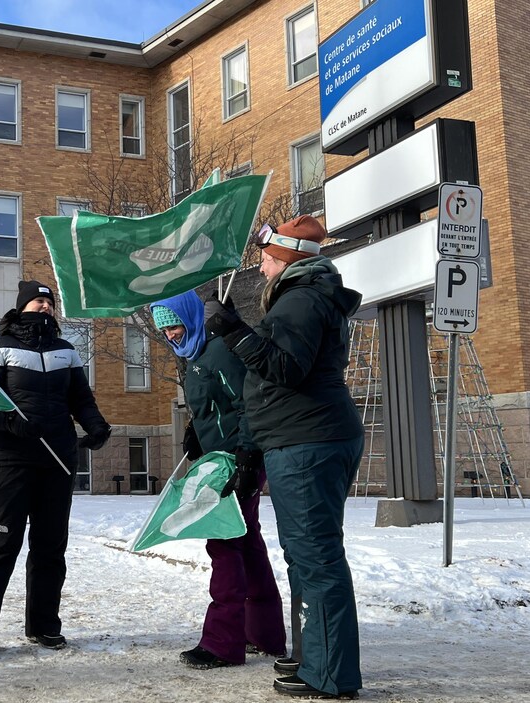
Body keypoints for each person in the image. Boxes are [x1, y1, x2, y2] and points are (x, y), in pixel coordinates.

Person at [204, 215, 365, 700]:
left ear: (287, 259)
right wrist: (251, 452)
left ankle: (330, 675)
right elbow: (267, 385)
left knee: (316, 559)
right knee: (304, 557)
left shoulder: (302, 298)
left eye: (267, 258)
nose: (261, 265)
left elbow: (284, 369)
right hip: (296, 438)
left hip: (308, 441)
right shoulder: (302, 297)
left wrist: (234, 330)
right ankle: (314, 656)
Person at [0, 280, 112, 660]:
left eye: (49, 301)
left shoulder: (67, 351)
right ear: (21, 306)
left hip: (58, 458)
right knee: (0, 545)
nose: (45, 306)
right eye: (38, 300)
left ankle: (44, 625)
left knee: (50, 546)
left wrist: (96, 426)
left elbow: (81, 398)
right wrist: (13, 423)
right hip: (12, 458)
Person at [150, 290, 286, 670]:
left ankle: (223, 643)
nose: (171, 335)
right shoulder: (195, 354)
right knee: (247, 544)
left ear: (191, 318)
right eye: (165, 330)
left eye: (174, 325)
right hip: (222, 456)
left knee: (225, 546)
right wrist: (198, 426)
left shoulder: (218, 350)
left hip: (234, 461)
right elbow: (218, 402)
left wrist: (245, 456)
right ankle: (264, 632)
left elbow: (248, 402)